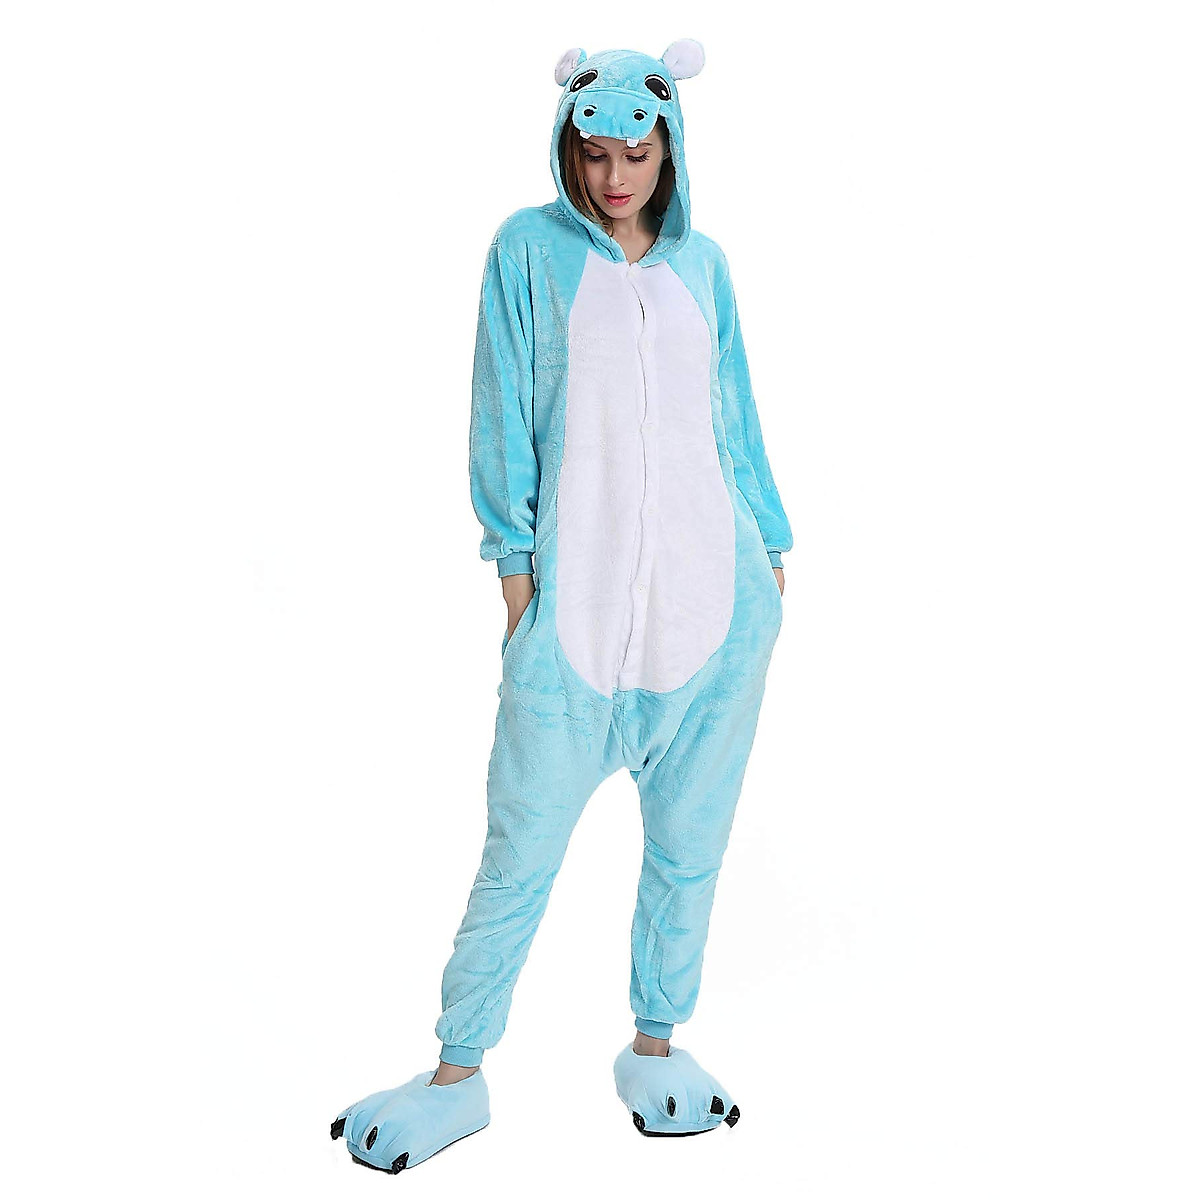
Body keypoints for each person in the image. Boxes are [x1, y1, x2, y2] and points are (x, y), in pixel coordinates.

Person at [331, 38, 792, 1172]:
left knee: (690, 851)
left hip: (714, 615)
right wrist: (515, 578)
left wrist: (772, 552)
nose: (615, 176)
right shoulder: (526, 252)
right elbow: (499, 413)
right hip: (571, 627)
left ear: (669, 146)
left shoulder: (706, 267)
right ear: (568, 147)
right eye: (594, 154)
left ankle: (657, 1047)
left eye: (636, 153)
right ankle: (456, 1073)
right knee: (518, 855)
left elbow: (733, 415)